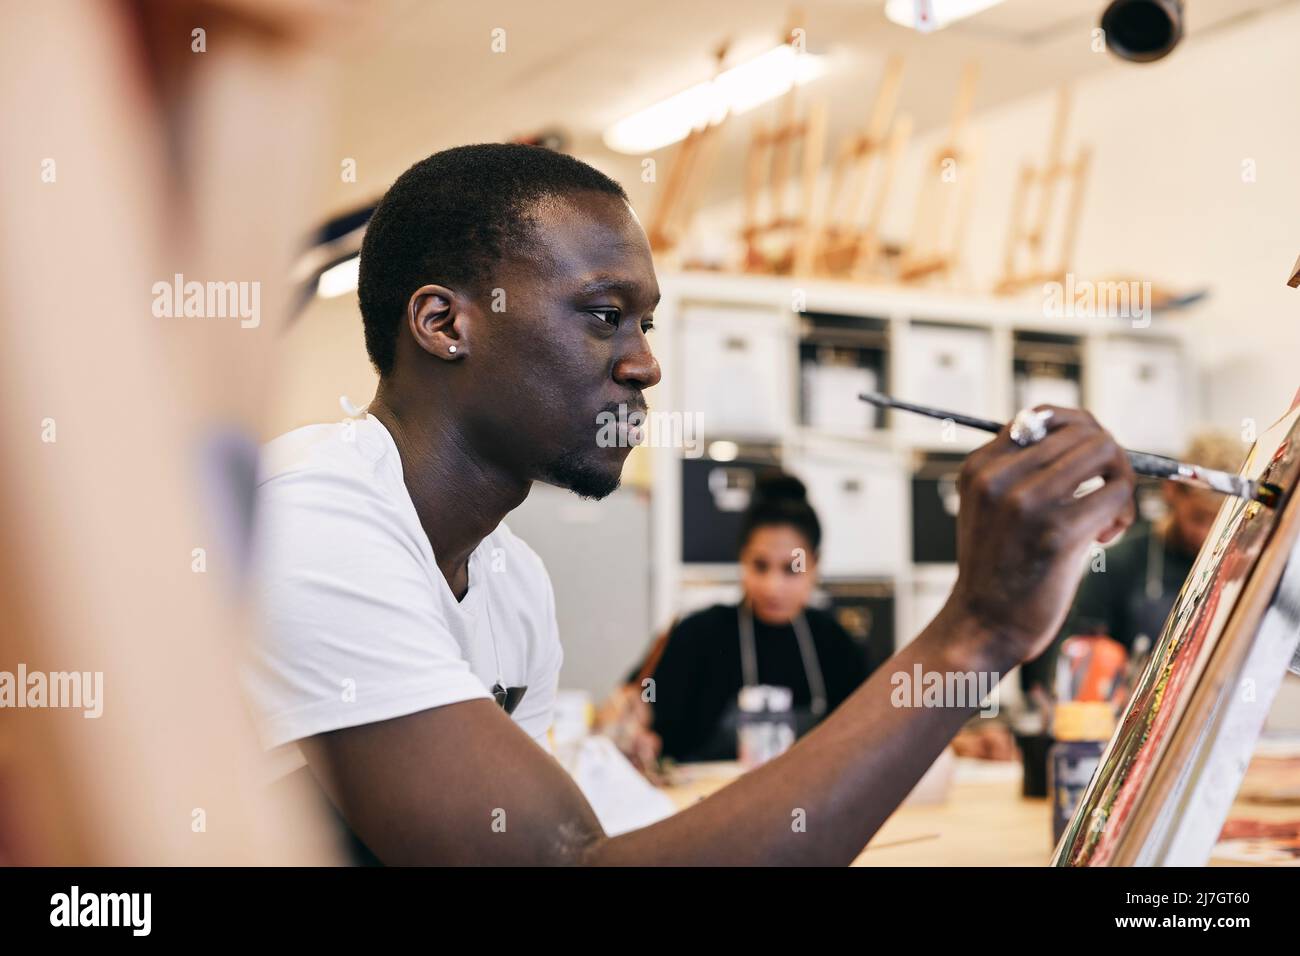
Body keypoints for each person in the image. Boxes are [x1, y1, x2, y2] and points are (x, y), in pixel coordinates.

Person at [247, 143, 1136, 865]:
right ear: (444, 324)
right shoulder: (312, 522)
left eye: (645, 325)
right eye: (603, 315)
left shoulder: (513, 583)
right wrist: (974, 633)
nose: (644, 364)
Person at [600, 472, 872, 765]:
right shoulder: (698, 635)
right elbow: (631, 705)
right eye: (760, 566)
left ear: (815, 565)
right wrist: (629, 727)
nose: (772, 586)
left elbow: (869, 733)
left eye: (791, 569)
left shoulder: (836, 645)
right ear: (742, 558)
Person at [1020, 430, 1244, 696]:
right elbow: (1070, 655)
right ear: (1171, 491)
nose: (1207, 534)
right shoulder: (1117, 564)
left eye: (1220, 522)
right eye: (1198, 518)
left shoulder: (1242, 568)